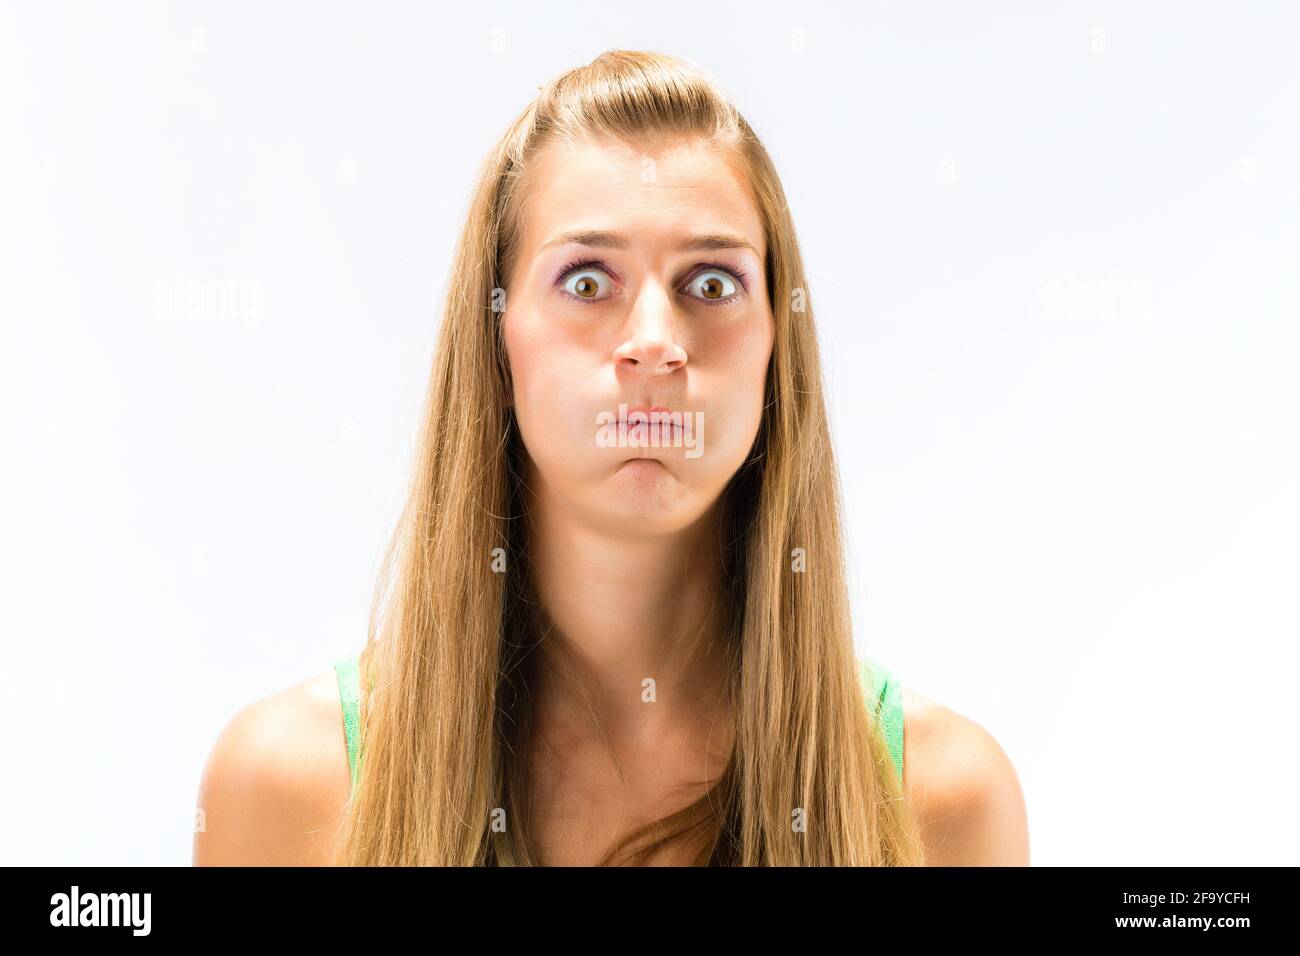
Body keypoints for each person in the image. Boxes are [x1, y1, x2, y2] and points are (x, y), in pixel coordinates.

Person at [193, 49, 1028, 867]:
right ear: (497, 336)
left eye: (712, 284)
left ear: (779, 344)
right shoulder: (289, 787)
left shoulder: (944, 802)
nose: (656, 344)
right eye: (588, 282)